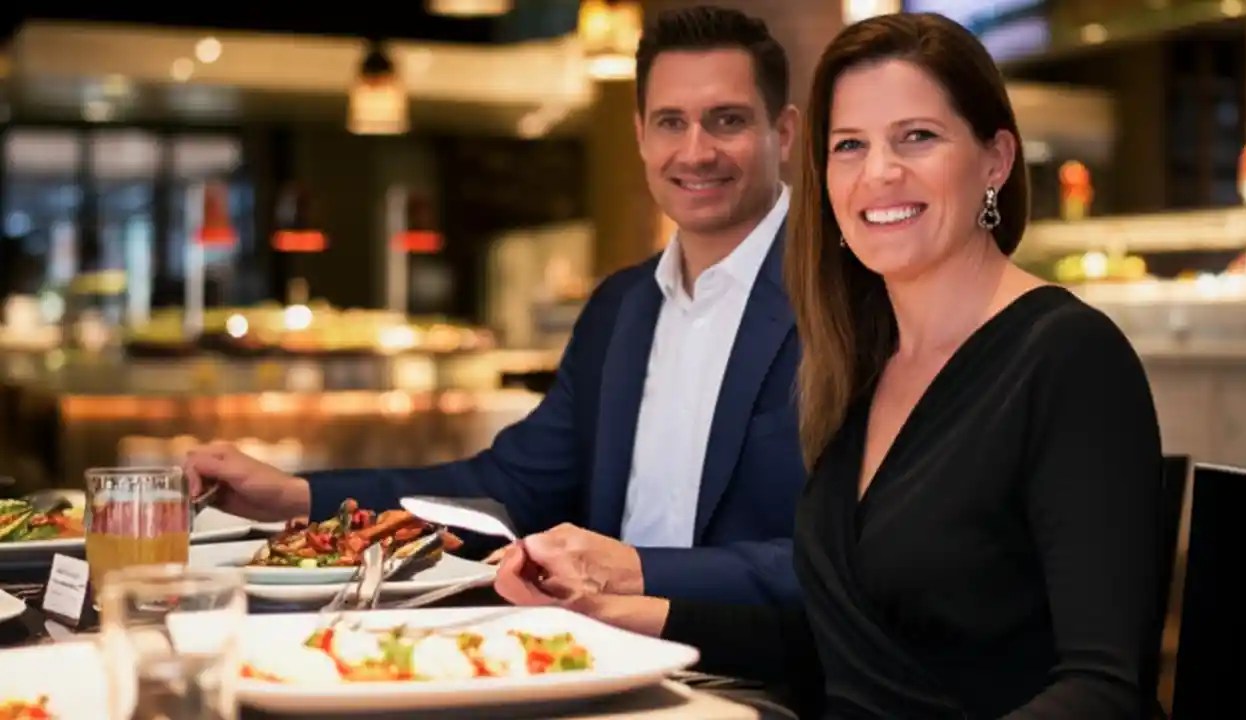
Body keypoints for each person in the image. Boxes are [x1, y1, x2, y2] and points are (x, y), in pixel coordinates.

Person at [493, 12, 1165, 720]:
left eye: (918, 137)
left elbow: (1103, 691)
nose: (879, 173)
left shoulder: (1070, 359)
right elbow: (838, 641)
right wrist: (614, 612)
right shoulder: (865, 361)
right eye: (850, 146)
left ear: (996, 159)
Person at [184, 5, 807, 606]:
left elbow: (850, 562)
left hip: (767, 684)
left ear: (782, 133)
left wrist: (638, 573)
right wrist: (293, 497)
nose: (696, 151)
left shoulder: (845, 299)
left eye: (727, 121)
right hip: (605, 654)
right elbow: (506, 489)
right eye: (672, 121)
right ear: (641, 135)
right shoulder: (622, 308)